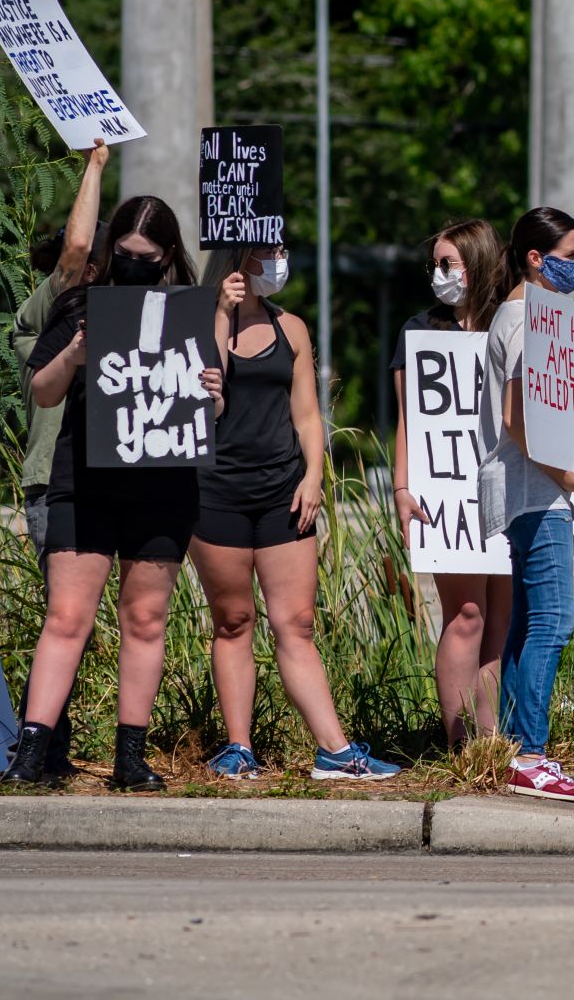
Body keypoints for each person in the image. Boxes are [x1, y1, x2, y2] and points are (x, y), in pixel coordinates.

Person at [4, 196, 222, 791]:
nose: (132, 265)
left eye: (145, 258)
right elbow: (44, 392)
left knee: (145, 618)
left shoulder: (192, 315)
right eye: (122, 255)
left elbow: (210, 409)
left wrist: (212, 393)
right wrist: (76, 350)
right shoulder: (80, 302)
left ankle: (131, 755)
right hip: (86, 480)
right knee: (67, 616)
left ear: (168, 256)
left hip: (162, 487)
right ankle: (30, 751)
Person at [193, 243, 401, 781]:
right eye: (270, 250)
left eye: (284, 248)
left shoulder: (293, 329)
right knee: (233, 621)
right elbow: (204, 395)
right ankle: (238, 747)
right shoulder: (199, 320)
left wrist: (313, 475)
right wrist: (220, 311)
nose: (280, 259)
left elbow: (307, 414)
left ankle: (334, 749)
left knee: (297, 623)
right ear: (240, 256)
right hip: (216, 491)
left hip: (283, 490)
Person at [482, 207, 574, 802]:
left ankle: (510, 749)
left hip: (539, 490)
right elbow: (519, 417)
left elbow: (565, 407)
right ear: (537, 258)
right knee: (554, 623)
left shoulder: (545, 319)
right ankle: (531, 753)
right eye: (572, 254)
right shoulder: (525, 322)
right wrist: (571, 478)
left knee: (529, 622)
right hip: (537, 493)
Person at [388, 218, 511, 747]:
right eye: (434, 265)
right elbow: (408, 419)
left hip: (509, 487)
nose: (437, 274)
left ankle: (492, 743)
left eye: (448, 263)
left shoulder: (512, 324)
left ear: (479, 264)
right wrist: (401, 486)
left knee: (501, 623)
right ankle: (460, 744)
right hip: (447, 490)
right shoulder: (420, 331)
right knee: (466, 612)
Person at [7, 139, 108, 780]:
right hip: (56, 481)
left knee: (78, 625)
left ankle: (51, 744)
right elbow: (75, 253)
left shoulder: (116, 309)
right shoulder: (48, 313)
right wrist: (95, 166)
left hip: (112, 477)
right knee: (64, 620)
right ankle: (41, 745)